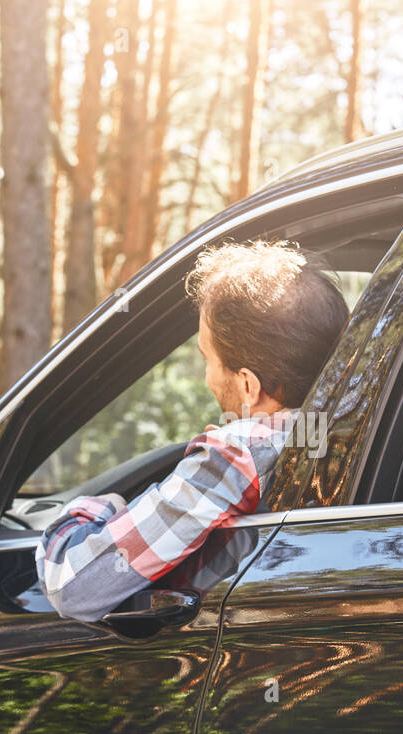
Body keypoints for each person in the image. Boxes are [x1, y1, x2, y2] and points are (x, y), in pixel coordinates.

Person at [35, 239, 349, 621]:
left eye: (208, 358)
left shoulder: (236, 455)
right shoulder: (349, 428)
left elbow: (72, 585)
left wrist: (95, 508)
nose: (206, 377)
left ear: (249, 384)